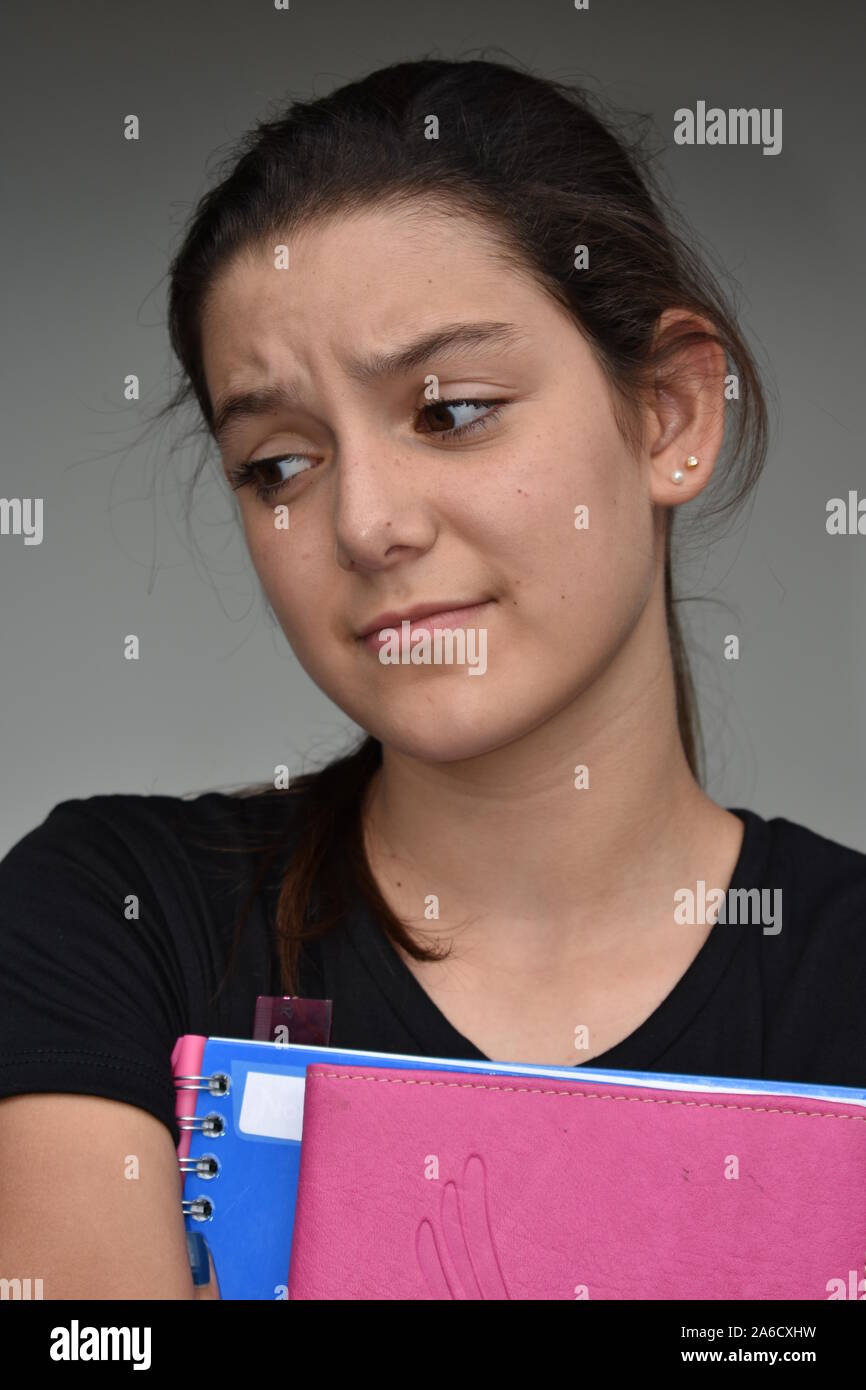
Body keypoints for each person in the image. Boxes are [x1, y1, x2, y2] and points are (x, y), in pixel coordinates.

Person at [1, 57, 864, 1300]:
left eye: (450, 412)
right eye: (278, 464)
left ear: (671, 411)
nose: (364, 523)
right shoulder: (110, 921)